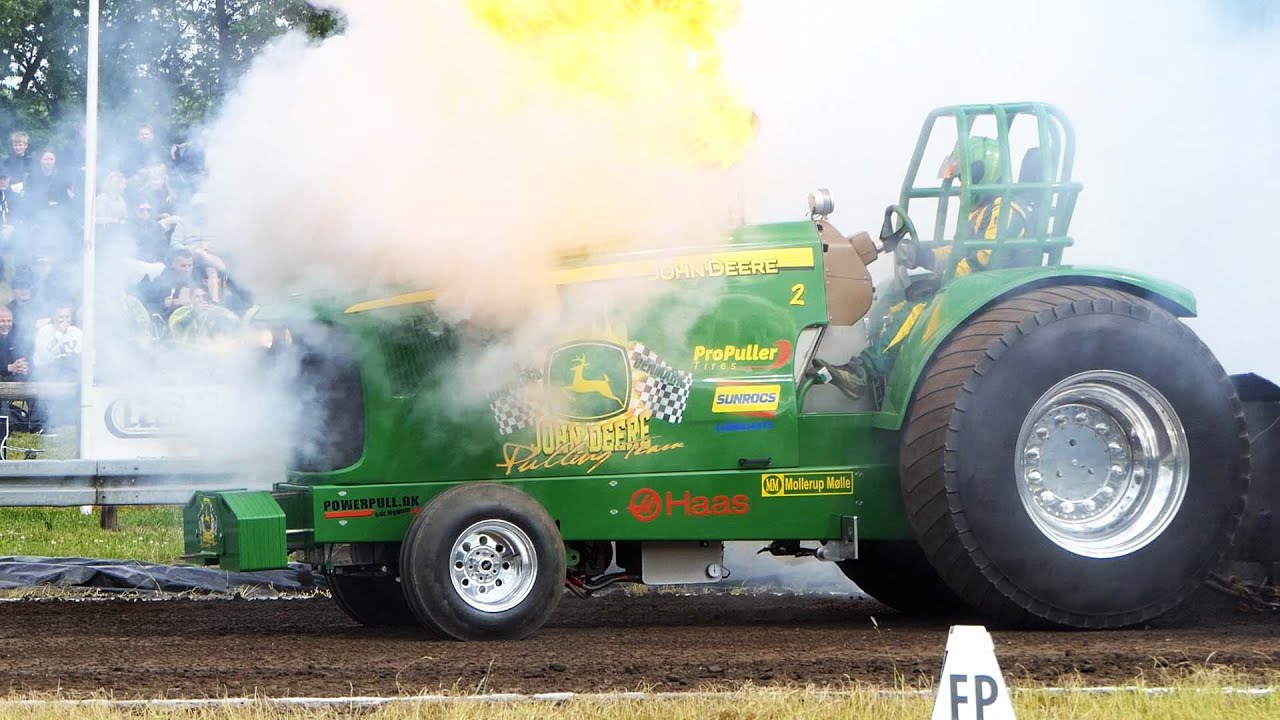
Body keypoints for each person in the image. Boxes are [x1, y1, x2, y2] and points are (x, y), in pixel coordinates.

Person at [32, 304, 82, 380]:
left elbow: (82, 355)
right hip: (47, 373)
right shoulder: (44, 331)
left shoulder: (76, 332)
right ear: (54, 317)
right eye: (61, 317)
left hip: (72, 374)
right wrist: (60, 333)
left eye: (67, 317)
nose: (65, 320)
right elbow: (45, 356)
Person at [0, 307, 30, 381]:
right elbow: (10, 368)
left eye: (9, 321)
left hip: (15, 379)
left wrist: (22, 366)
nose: (6, 324)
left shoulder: (18, 335)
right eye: (2, 321)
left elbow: (26, 357)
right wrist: (8, 368)